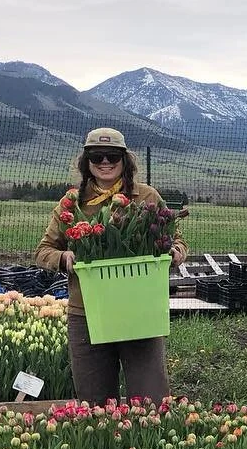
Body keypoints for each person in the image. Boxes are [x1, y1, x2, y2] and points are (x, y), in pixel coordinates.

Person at [35, 128, 187, 403]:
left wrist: (175, 252)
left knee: (150, 400)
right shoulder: (72, 203)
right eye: (97, 156)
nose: (105, 162)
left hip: (140, 309)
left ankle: (147, 444)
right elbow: (43, 250)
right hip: (88, 311)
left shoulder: (146, 197)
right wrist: (62, 258)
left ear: (125, 160)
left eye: (112, 156)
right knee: (95, 402)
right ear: (86, 161)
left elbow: (176, 238)